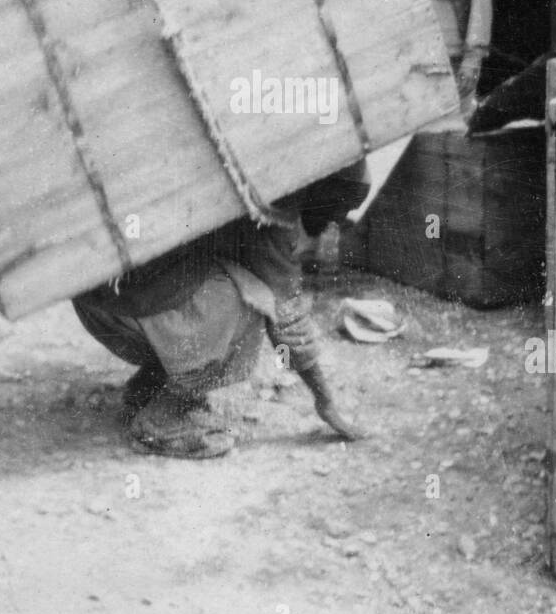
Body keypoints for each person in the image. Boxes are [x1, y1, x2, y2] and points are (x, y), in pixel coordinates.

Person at [73, 165, 368, 459]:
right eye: (340, 209)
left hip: (96, 294)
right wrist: (324, 401)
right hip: (123, 312)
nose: (337, 220)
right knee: (249, 303)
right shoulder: (273, 220)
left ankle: (149, 388)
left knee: (201, 285)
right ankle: (160, 421)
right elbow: (288, 324)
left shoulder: (249, 170)